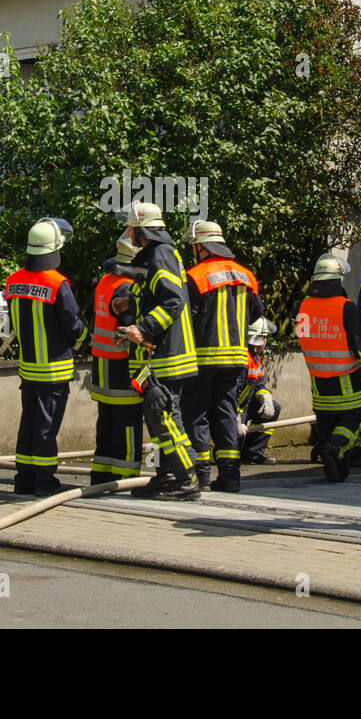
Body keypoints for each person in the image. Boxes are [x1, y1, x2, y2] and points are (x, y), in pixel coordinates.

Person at [115, 202, 201, 501]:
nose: (129, 233)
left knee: (164, 415)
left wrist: (144, 328)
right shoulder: (154, 254)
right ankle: (165, 476)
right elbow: (153, 295)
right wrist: (130, 304)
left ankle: (187, 478)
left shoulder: (160, 255)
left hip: (167, 353)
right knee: (157, 415)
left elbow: (173, 301)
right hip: (158, 353)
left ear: (142, 230)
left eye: (132, 229)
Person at [6, 217, 88, 496]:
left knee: (28, 425)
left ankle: (24, 480)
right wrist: (86, 337)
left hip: (27, 369)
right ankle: (44, 482)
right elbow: (72, 324)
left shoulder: (13, 281)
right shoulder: (57, 283)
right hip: (54, 369)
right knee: (45, 428)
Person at [183, 220, 264, 492]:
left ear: (201, 247)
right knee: (227, 414)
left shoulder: (194, 276)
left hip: (203, 359)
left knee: (197, 415)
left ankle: (202, 476)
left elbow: (188, 318)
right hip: (237, 360)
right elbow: (256, 314)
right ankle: (230, 476)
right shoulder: (247, 275)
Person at [297, 252, 361, 485]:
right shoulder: (347, 308)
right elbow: (356, 344)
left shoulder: (302, 307)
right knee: (355, 421)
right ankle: (335, 447)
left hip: (319, 385)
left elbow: (304, 338)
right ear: (338, 280)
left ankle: (335, 471)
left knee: (327, 428)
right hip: (348, 383)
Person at [88, 236, 146, 486]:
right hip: (122, 365)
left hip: (102, 363)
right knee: (127, 423)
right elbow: (128, 329)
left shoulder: (105, 280)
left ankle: (101, 474)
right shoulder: (126, 287)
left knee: (107, 422)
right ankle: (125, 476)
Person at [238, 317, 280, 465]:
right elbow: (229, 393)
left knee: (273, 408)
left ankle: (253, 454)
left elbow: (258, 385)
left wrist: (265, 398)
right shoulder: (242, 359)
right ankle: (209, 456)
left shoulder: (254, 357)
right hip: (229, 411)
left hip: (242, 408)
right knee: (229, 453)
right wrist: (234, 416)